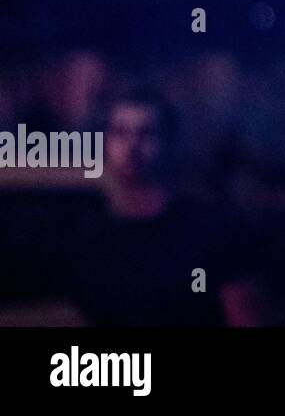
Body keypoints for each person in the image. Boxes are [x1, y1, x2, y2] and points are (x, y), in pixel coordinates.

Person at [61, 89, 257, 326]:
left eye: (147, 133)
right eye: (120, 133)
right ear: (105, 143)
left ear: (169, 142)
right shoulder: (93, 237)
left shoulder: (208, 230)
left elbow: (242, 316)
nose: (132, 146)